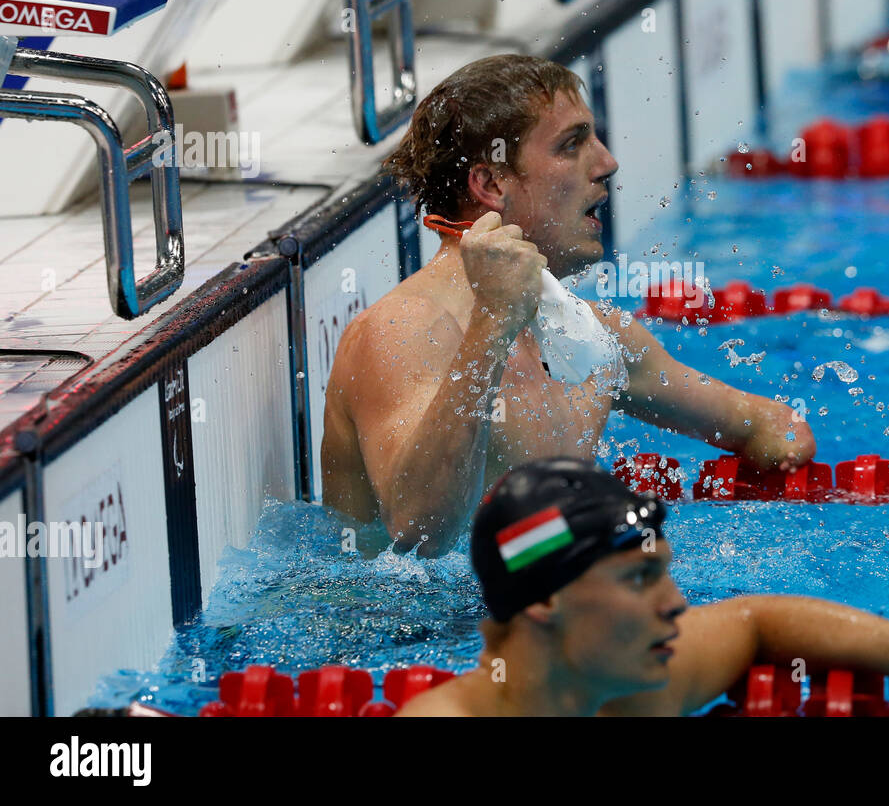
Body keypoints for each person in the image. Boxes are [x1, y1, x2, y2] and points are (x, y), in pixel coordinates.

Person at [321, 55, 815, 555]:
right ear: (491, 185)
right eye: (572, 144)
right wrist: (492, 321)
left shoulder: (595, 338)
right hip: (405, 630)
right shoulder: (402, 330)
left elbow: (771, 427)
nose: (606, 163)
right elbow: (420, 534)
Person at [395, 458, 889, 717]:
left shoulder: (621, 691)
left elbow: (755, 619)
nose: (676, 602)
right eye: (641, 577)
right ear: (546, 600)